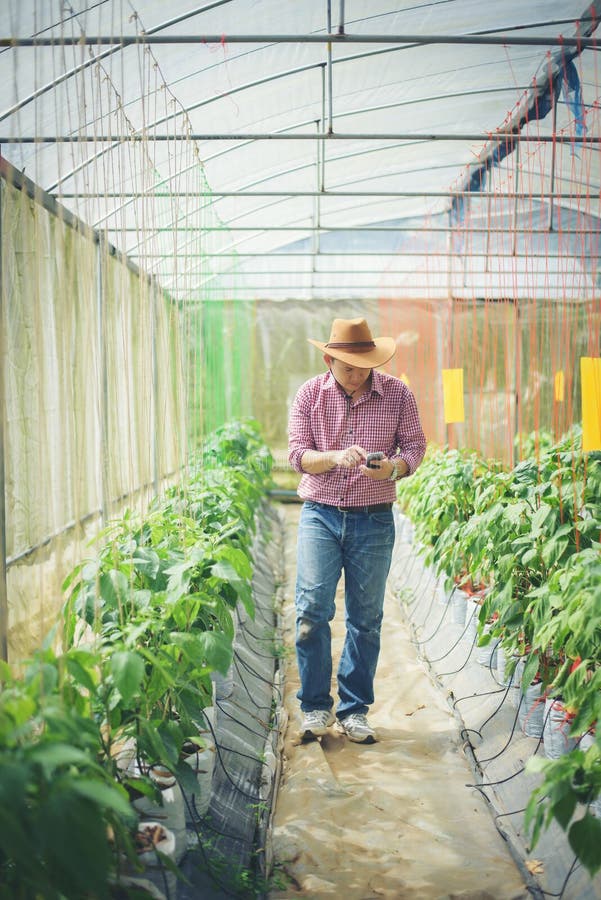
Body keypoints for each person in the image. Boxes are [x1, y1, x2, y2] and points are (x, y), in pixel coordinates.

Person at [287, 317, 426, 744]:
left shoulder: (398, 394)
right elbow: (297, 455)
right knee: (312, 610)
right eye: (348, 367)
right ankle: (314, 707)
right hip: (321, 515)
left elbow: (415, 446)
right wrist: (333, 456)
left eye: (364, 367)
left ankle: (354, 710)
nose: (357, 375)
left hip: (373, 517)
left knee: (366, 618)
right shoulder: (310, 394)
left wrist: (393, 469)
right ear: (329, 361)